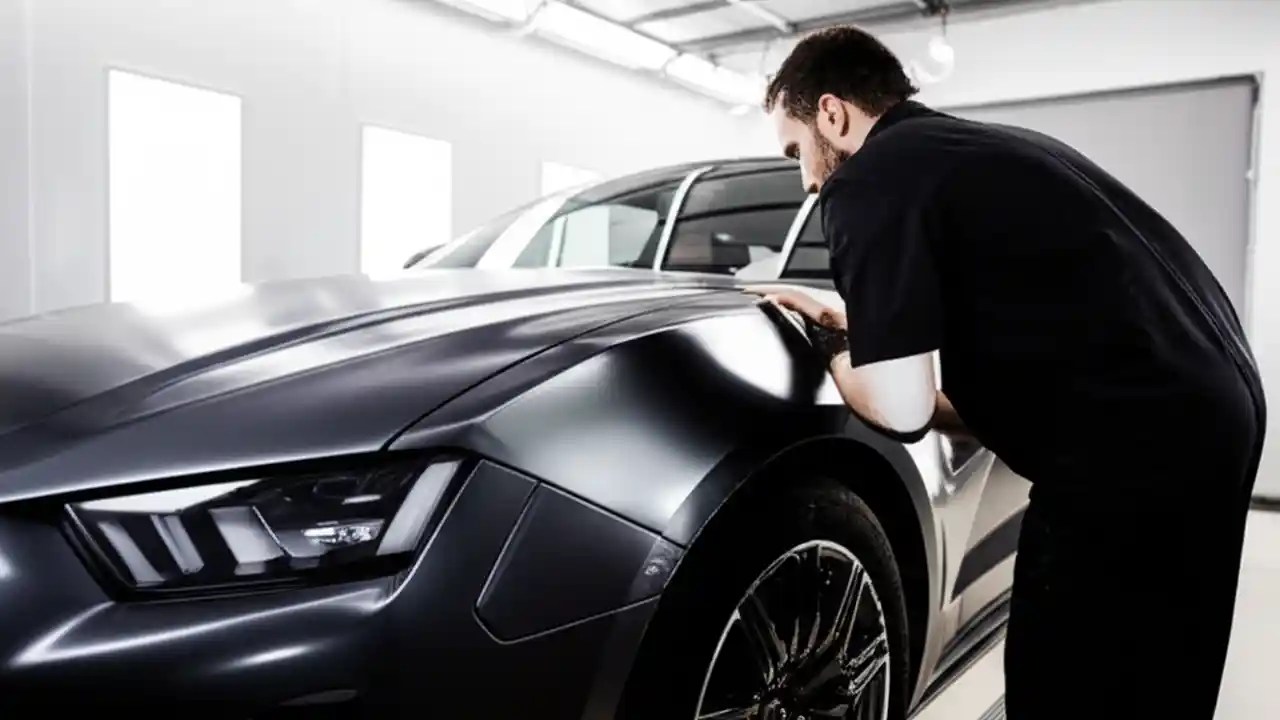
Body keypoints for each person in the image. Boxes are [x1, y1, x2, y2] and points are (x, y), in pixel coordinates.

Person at [749, 25, 1266, 720]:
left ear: (833, 115)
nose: (807, 180)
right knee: (1163, 673)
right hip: (1213, 410)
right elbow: (1004, 386)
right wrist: (866, 335)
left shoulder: (870, 178)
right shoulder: (980, 152)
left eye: (795, 150)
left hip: (1127, 445)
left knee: (1063, 682)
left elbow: (899, 411)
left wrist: (828, 346)